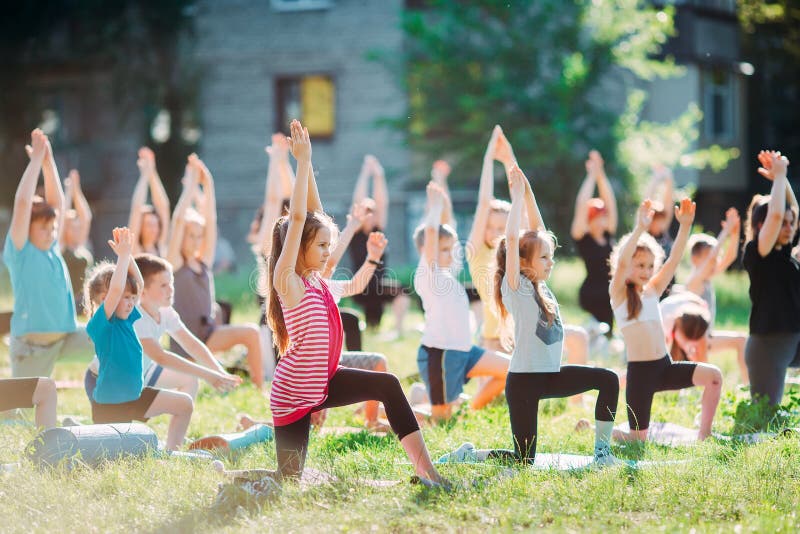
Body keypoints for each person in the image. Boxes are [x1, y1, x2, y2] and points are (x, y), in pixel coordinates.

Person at [266, 120, 444, 484]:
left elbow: (315, 218)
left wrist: (310, 164)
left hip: (325, 382)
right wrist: (302, 164)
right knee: (287, 482)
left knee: (388, 384)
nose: (328, 251)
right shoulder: (288, 282)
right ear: (297, 248)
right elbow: (300, 218)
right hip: (294, 397)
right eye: (320, 246)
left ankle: (427, 472)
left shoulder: (320, 283)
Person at [494, 164, 620, 464]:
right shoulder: (516, 286)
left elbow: (538, 229)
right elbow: (513, 239)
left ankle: (602, 453)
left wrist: (527, 191)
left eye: (551, 256)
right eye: (544, 258)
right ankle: (471, 455)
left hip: (550, 376)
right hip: (524, 382)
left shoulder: (541, 286)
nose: (550, 262)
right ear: (523, 261)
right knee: (524, 460)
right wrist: (515, 199)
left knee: (608, 380)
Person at [610, 198, 722, 441]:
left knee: (714, 376)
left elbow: (672, 262)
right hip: (639, 375)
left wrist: (685, 225)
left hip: (665, 367)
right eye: (640, 265)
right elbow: (621, 263)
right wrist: (640, 228)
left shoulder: (651, 291)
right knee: (637, 439)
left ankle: (705, 435)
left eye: (650, 266)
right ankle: (603, 430)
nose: (646, 271)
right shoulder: (618, 294)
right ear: (627, 265)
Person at [83, 227, 194, 450]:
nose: (132, 302)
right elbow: (116, 291)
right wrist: (123, 258)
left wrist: (129, 255)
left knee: (185, 405)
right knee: (118, 456)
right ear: (105, 300)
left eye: (132, 298)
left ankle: (171, 451)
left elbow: (139, 285)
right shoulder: (101, 325)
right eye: (126, 298)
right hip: (109, 406)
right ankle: (80, 429)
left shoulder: (127, 318)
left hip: (135, 398)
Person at [414, 180, 511, 422]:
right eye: (443, 250)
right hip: (440, 355)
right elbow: (432, 233)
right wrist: (434, 208)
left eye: (450, 248)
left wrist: (445, 204)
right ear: (426, 251)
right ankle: (396, 414)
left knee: (510, 370)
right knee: (440, 421)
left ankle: (470, 409)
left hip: (465, 351)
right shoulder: (428, 274)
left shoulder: (448, 274)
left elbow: (448, 229)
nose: (450, 253)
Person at [84, 254, 242, 401]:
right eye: (163, 285)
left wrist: (220, 372)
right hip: (102, 381)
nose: (171, 289)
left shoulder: (165, 312)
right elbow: (161, 357)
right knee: (118, 427)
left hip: (138, 376)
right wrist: (209, 375)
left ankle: (176, 432)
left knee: (189, 380)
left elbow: (191, 344)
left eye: (171, 283)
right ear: (143, 292)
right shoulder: (133, 316)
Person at [167, 155, 264, 389]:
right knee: (191, 384)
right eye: (191, 235)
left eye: (199, 236)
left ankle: (260, 390)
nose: (196, 240)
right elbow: (179, 220)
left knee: (251, 333)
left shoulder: (203, 262)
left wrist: (208, 183)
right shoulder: (174, 264)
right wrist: (191, 186)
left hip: (208, 334)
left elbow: (210, 219)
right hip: (185, 343)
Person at [5, 128, 94, 378]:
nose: (51, 232)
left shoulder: (53, 249)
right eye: (43, 228)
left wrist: (48, 161)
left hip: (66, 336)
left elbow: (58, 204)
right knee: (20, 416)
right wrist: (34, 162)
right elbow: (22, 204)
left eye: (53, 227)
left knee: (108, 341)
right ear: (27, 229)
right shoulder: (21, 251)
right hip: (32, 347)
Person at [742, 150, 800, 405]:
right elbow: (776, 215)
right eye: (782, 224)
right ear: (760, 226)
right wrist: (779, 177)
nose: (789, 227)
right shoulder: (757, 253)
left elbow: (791, 210)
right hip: (768, 344)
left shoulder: (785, 253)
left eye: (790, 224)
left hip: (794, 337)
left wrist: (782, 179)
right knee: (765, 413)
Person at [681, 207, 748, 382]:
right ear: (696, 259)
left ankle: (748, 387)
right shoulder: (694, 280)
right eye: (711, 255)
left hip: (707, 336)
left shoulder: (707, 278)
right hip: (693, 339)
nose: (716, 260)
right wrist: (725, 230)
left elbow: (730, 256)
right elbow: (713, 258)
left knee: (741, 340)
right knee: (704, 376)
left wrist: (735, 231)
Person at [348, 155, 409, 338]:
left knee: (376, 322)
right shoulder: (355, 233)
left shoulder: (378, 229)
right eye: (367, 211)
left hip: (380, 286)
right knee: (371, 321)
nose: (371, 214)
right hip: (361, 286)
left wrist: (379, 176)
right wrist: (365, 174)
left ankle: (398, 331)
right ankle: (369, 328)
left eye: (373, 212)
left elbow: (382, 203)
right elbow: (358, 201)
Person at [570, 150, 618, 333]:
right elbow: (581, 205)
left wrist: (601, 175)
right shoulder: (583, 237)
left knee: (607, 337)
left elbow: (610, 203)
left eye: (602, 216)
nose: (601, 220)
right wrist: (591, 177)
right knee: (594, 335)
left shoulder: (608, 236)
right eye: (596, 217)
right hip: (591, 295)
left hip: (608, 294)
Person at [59, 169, 94, 315]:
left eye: (78, 226)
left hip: (84, 303)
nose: (77, 230)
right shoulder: (61, 247)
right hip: (67, 303)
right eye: (72, 227)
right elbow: (60, 218)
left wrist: (76, 189)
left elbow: (86, 217)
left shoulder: (80, 245)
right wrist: (68, 193)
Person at [129, 147, 171, 257]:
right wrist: (145, 176)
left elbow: (163, 207)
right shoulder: (135, 249)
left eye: (155, 225)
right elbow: (136, 208)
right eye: (148, 224)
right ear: (140, 227)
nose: (153, 228)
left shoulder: (161, 247)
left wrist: (152, 172)